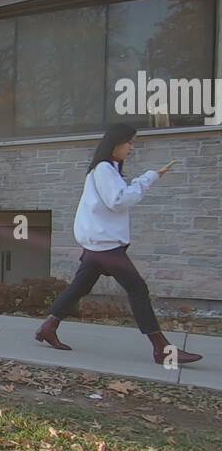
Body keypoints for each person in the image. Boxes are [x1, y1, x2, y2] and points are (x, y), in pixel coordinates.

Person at [35, 123, 203, 365]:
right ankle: (162, 349)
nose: (132, 147)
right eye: (129, 142)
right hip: (105, 247)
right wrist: (148, 178)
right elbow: (119, 200)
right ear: (116, 144)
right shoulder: (104, 169)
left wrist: (150, 177)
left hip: (98, 246)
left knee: (79, 288)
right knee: (137, 289)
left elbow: (115, 198)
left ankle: (48, 327)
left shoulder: (107, 170)